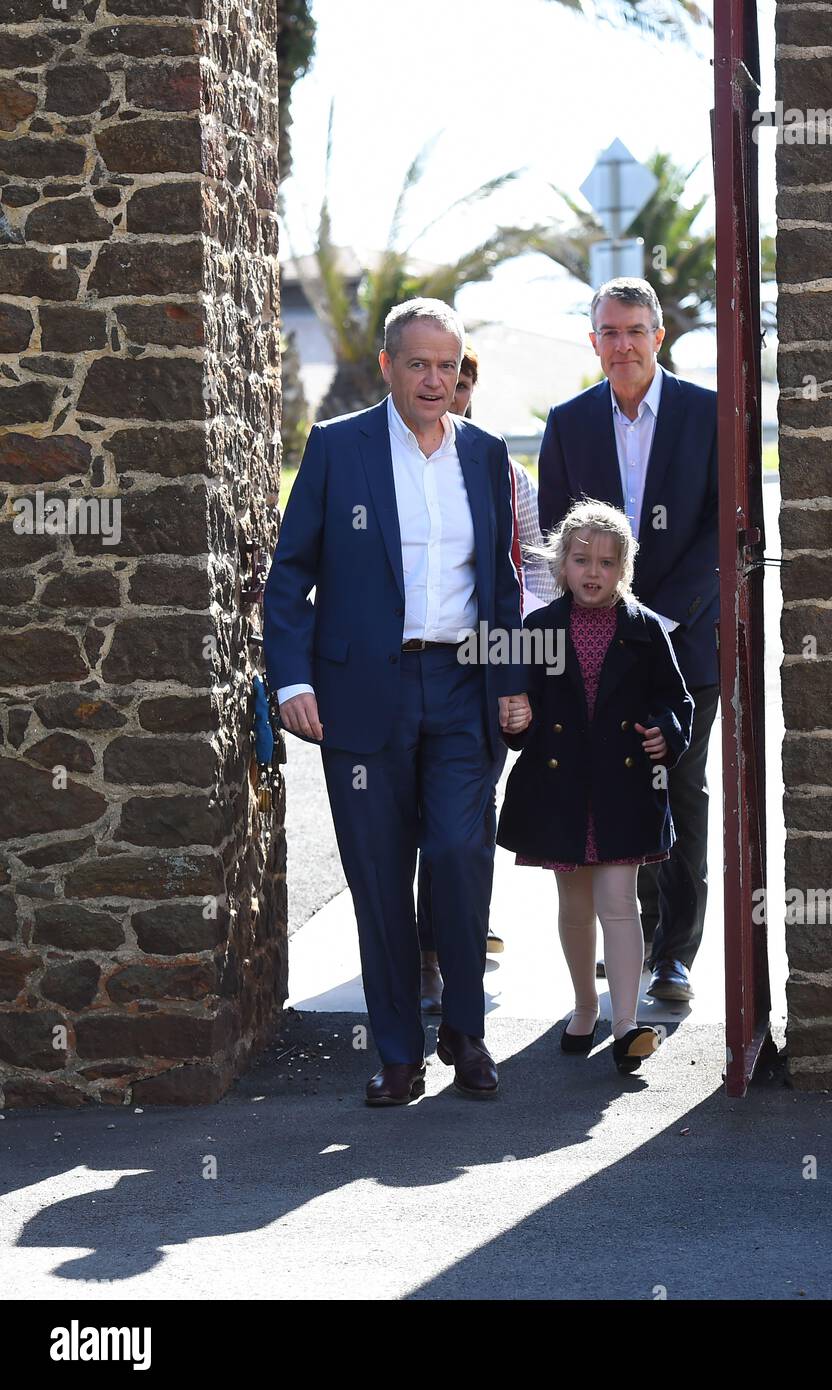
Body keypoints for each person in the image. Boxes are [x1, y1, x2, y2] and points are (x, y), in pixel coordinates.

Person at [263, 298, 531, 1106]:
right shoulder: (337, 447)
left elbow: (503, 584)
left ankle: (464, 1032)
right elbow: (289, 574)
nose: (434, 380)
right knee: (379, 875)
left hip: (461, 688)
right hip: (360, 693)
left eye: (446, 366)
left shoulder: (484, 454)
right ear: (387, 367)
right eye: (418, 364)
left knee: (459, 854)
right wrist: (293, 681)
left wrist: (511, 681)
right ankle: (396, 1053)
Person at [538, 277, 718, 1004]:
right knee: (616, 783)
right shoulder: (569, 422)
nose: (622, 345)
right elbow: (556, 532)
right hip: (596, 648)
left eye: (635, 330)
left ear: (658, 336)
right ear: (594, 342)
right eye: (609, 332)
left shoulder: (707, 413)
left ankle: (674, 954)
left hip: (687, 639)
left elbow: (723, 526)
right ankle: (629, 939)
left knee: (679, 785)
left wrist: (657, 618)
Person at [496, 500, 694, 1075]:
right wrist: (516, 720)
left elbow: (676, 699)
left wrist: (665, 732)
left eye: (607, 563)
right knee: (576, 906)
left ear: (623, 570)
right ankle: (585, 1007)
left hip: (623, 789)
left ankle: (627, 1024)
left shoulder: (645, 629)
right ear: (562, 565)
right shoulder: (539, 629)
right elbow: (519, 708)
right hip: (561, 791)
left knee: (619, 904)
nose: (593, 572)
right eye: (582, 560)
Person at [418, 345, 555, 1014]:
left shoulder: (503, 470)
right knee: (418, 816)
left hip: (487, 659)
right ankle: (425, 950)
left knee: (469, 809)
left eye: (462, 380)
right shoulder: (396, 464)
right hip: (413, 662)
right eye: (436, 374)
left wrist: (519, 653)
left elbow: (536, 565)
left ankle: (458, 936)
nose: (450, 390)